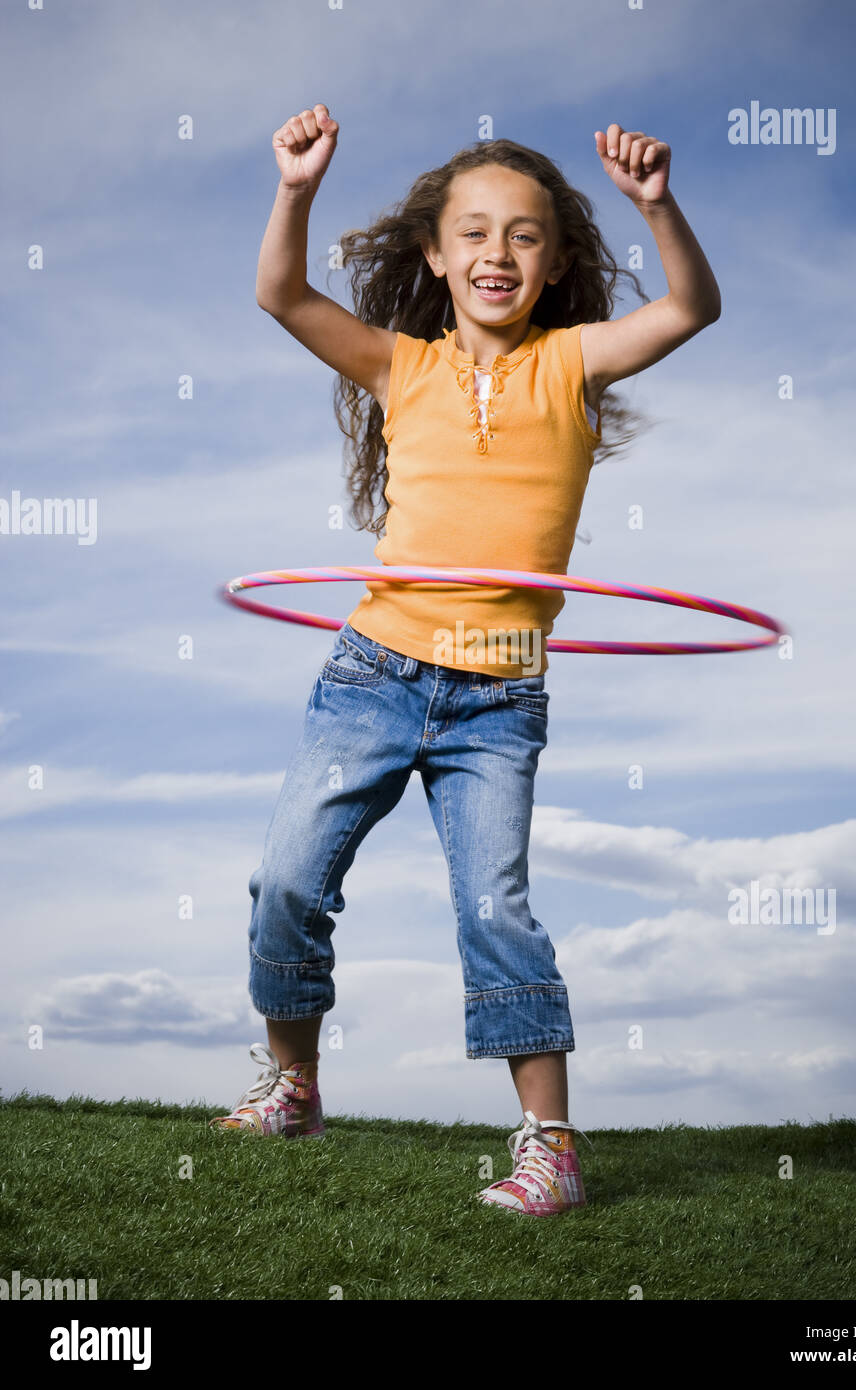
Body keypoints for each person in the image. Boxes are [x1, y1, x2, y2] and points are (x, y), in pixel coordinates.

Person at [209, 104, 720, 1217]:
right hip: (373, 670)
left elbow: (690, 306)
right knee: (288, 880)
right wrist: (295, 188)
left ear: (559, 261)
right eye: (476, 234)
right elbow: (282, 296)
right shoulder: (402, 366)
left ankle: (552, 1145)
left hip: (499, 691)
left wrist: (656, 204)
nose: (499, 254)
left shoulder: (571, 366)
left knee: (495, 909)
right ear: (436, 255)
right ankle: (294, 1087)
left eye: (527, 235)